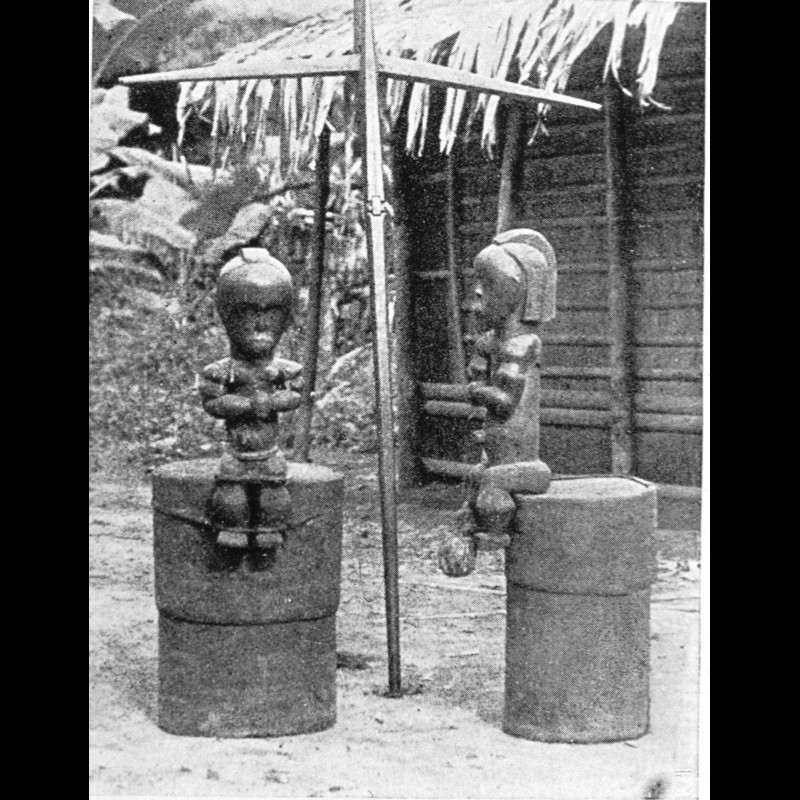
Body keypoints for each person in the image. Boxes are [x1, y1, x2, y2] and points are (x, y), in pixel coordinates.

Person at [439, 229, 556, 577]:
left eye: (487, 283)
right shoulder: (492, 342)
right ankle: (470, 531)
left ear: (515, 291)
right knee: (480, 477)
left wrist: (478, 390)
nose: (476, 291)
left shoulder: (522, 345)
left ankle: (493, 536)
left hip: (525, 465)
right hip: (499, 456)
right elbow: (479, 379)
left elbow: (504, 403)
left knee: (491, 485)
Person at [199, 248, 302, 550]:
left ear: (286, 316)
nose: (261, 324)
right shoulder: (223, 371)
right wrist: (243, 405)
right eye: (247, 311)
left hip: (269, 455)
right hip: (236, 456)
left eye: (272, 311)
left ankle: (270, 529)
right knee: (230, 496)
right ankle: (234, 529)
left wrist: (270, 403)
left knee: (274, 494)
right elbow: (212, 402)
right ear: (226, 315)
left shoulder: (281, 370)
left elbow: (295, 395)